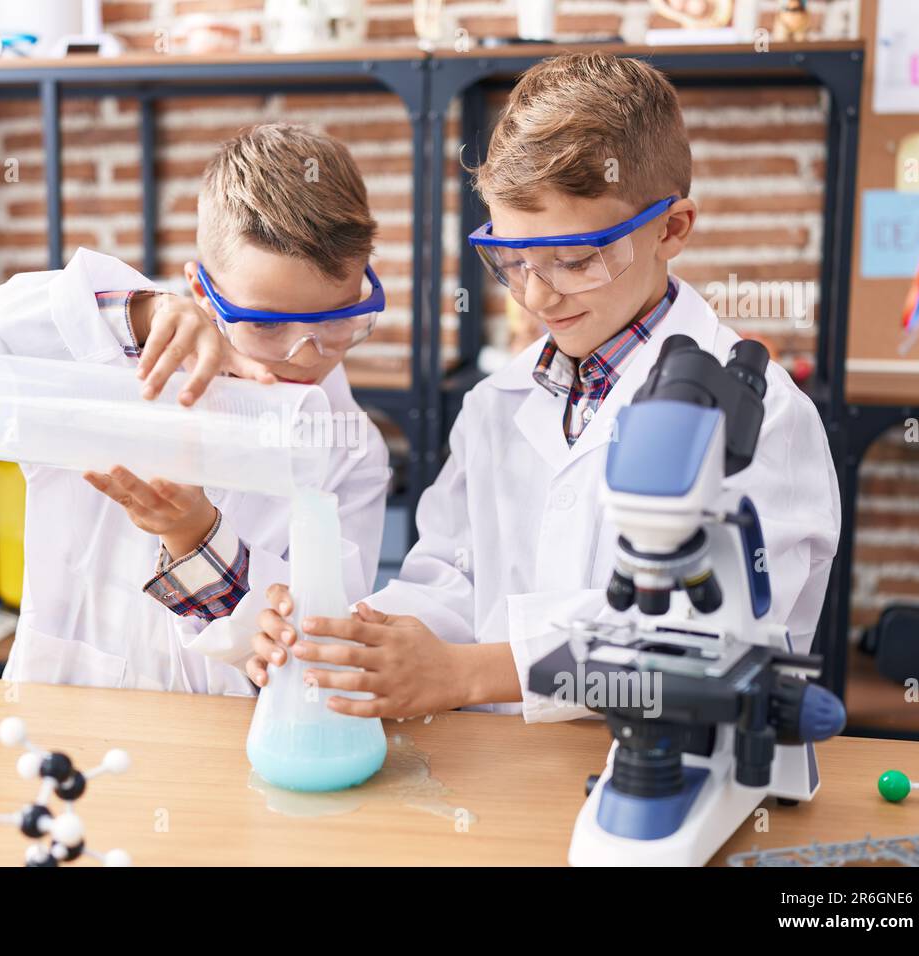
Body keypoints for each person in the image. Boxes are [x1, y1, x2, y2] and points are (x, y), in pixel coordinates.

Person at [245, 52, 841, 722]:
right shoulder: (497, 404)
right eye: (512, 258)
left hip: (677, 770)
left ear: (671, 229)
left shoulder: (762, 417)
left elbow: (712, 644)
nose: (534, 293)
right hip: (505, 778)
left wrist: (472, 674)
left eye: (574, 259)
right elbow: (452, 582)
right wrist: (350, 638)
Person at [0, 123, 390, 695]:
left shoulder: (351, 450)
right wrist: (141, 315)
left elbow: (319, 641)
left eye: (338, 319)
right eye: (266, 324)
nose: (307, 354)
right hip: (64, 708)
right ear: (200, 289)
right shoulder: (111, 358)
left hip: (223, 744)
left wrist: (196, 535)